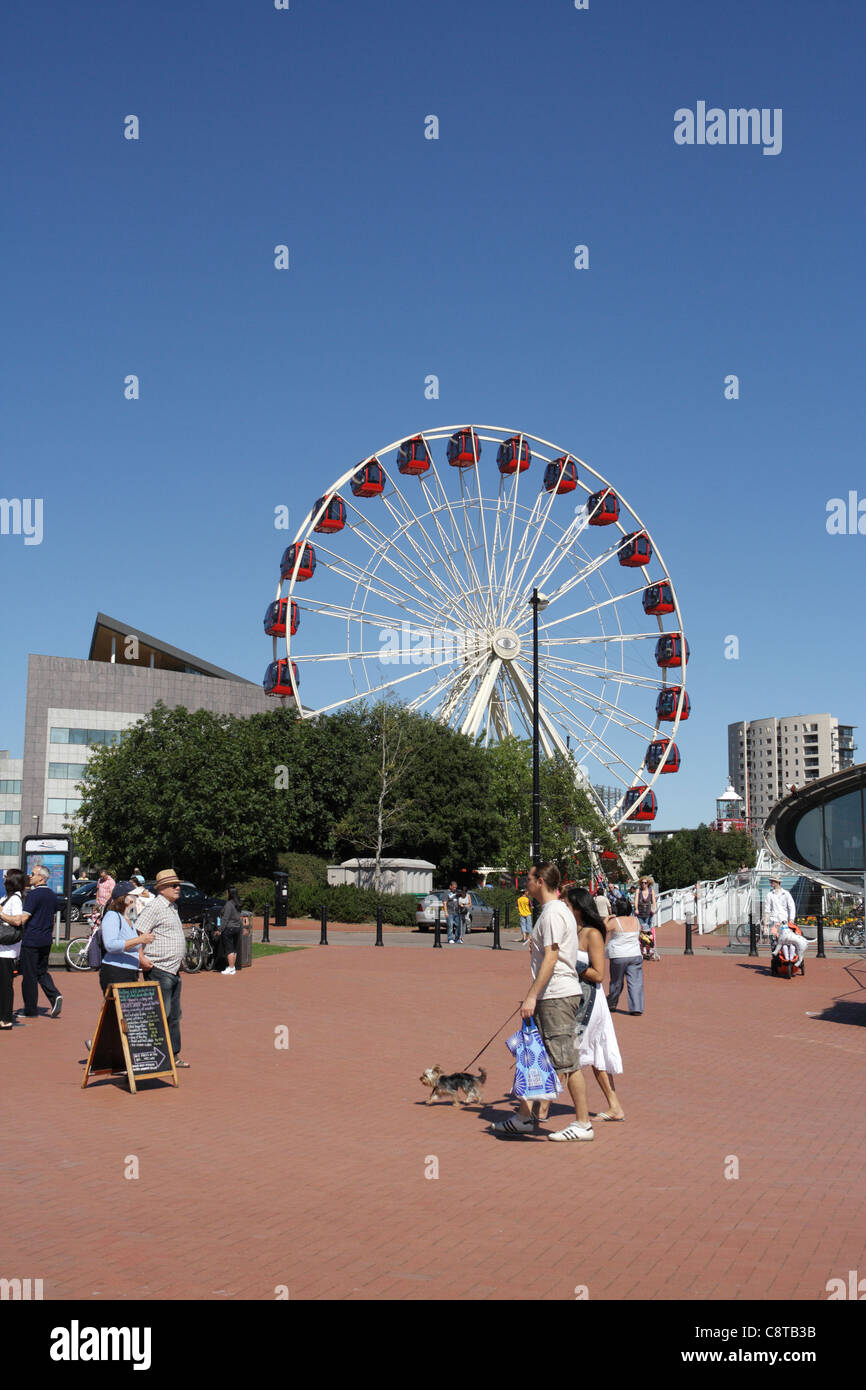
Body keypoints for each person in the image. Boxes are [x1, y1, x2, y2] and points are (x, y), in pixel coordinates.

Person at [491, 862, 594, 1141]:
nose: (526, 883)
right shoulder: (555, 911)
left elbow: (551, 956)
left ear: (540, 881)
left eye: (529, 878)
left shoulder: (552, 914)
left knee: (566, 1060)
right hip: (553, 992)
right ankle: (524, 1117)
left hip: (557, 994)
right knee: (535, 1054)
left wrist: (532, 995)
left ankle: (583, 1123)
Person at [566, 887, 625, 1120]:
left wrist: (571, 964)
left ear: (579, 908)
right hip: (575, 997)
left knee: (572, 1050)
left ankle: (537, 1108)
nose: (565, 909)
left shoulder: (592, 934)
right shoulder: (573, 931)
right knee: (588, 1052)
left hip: (591, 1000)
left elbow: (599, 974)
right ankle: (614, 1106)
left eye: (568, 906)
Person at [133, 869, 189, 1067]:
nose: (178, 888)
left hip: (173, 970)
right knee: (159, 1015)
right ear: (162, 889)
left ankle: (173, 1056)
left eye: (178, 884)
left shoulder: (172, 907)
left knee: (174, 1015)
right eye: (174, 885)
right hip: (159, 969)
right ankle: (154, 1056)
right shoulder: (155, 906)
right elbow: (138, 932)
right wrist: (141, 958)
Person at [14, 864, 62, 1019]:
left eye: (33, 874)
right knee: (41, 971)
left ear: (41, 877)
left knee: (29, 975)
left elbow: (24, 918)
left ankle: (30, 1009)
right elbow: (52, 917)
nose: (30, 876)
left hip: (31, 940)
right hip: (46, 939)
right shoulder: (52, 895)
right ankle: (55, 996)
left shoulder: (34, 895)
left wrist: (7, 917)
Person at [98, 882, 156, 997]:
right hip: (116, 972)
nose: (137, 899)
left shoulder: (130, 918)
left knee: (128, 1012)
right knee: (117, 1012)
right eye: (134, 896)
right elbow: (110, 945)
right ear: (123, 899)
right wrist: (139, 940)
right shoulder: (112, 916)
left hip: (130, 972)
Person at [605, 898, 645, 1015]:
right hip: (634, 954)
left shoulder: (615, 921)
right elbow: (640, 931)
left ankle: (612, 1003)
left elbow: (603, 929)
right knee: (635, 982)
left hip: (618, 954)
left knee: (616, 982)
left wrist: (607, 919)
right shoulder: (636, 921)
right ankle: (636, 1007)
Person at [0, 868, 28, 1028]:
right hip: (2, 948)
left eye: (6, 877)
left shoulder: (15, 899)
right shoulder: (7, 897)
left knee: (5, 985)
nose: (4, 880)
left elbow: (18, 921)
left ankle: (6, 1018)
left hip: (7, 950)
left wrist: (2, 914)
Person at [218, 887, 243, 975]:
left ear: (230, 893)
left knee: (229, 949)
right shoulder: (238, 903)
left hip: (229, 928)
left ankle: (231, 968)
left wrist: (220, 929)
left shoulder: (229, 904)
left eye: (227, 892)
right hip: (237, 927)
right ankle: (232, 966)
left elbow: (225, 918)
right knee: (234, 949)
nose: (226, 894)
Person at [764, 876, 796, 945]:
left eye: (773, 881)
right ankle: (775, 955)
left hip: (784, 920)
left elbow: (792, 907)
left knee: (785, 941)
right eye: (771, 881)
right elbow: (767, 910)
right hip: (773, 920)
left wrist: (791, 919)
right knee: (774, 941)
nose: (771, 882)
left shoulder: (786, 893)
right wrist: (765, 924)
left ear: (778, 882)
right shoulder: (769, 894)